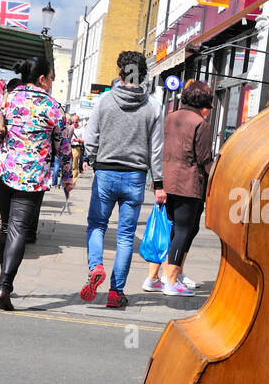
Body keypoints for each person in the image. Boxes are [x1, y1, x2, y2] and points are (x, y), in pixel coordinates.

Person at [80, 51, 165, 309]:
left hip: (105, 172)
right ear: (143, 75)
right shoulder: (153, 106)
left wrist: (93, 160)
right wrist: (158, 182)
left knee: (97, 225)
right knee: (126, 236)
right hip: (135, 176)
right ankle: (116, 293)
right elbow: (157, 148)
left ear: (120, 73)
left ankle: (96, 266)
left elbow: (90, 137)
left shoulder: (105, 101)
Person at [0, 56, 63, 311]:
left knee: (7, 226)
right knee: (18, 230)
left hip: (3, 171)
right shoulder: (52, 106)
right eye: (50, 78)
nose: (50, 83)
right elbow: (64, 146)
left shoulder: (7, 99)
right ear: (41, 79)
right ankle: (5, 286)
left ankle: (3, 279)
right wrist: (67, 176)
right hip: (32, 177)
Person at [142, 81, 215, 296]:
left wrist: (157, 183)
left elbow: (156, 150)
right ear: (203, 104)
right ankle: (171, 281)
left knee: (167, 231)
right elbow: (203, 159)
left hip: (166, 182)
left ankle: (154, 278)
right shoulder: (200, 124)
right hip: (188, 184)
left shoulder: (170, 117)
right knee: (182, 231)